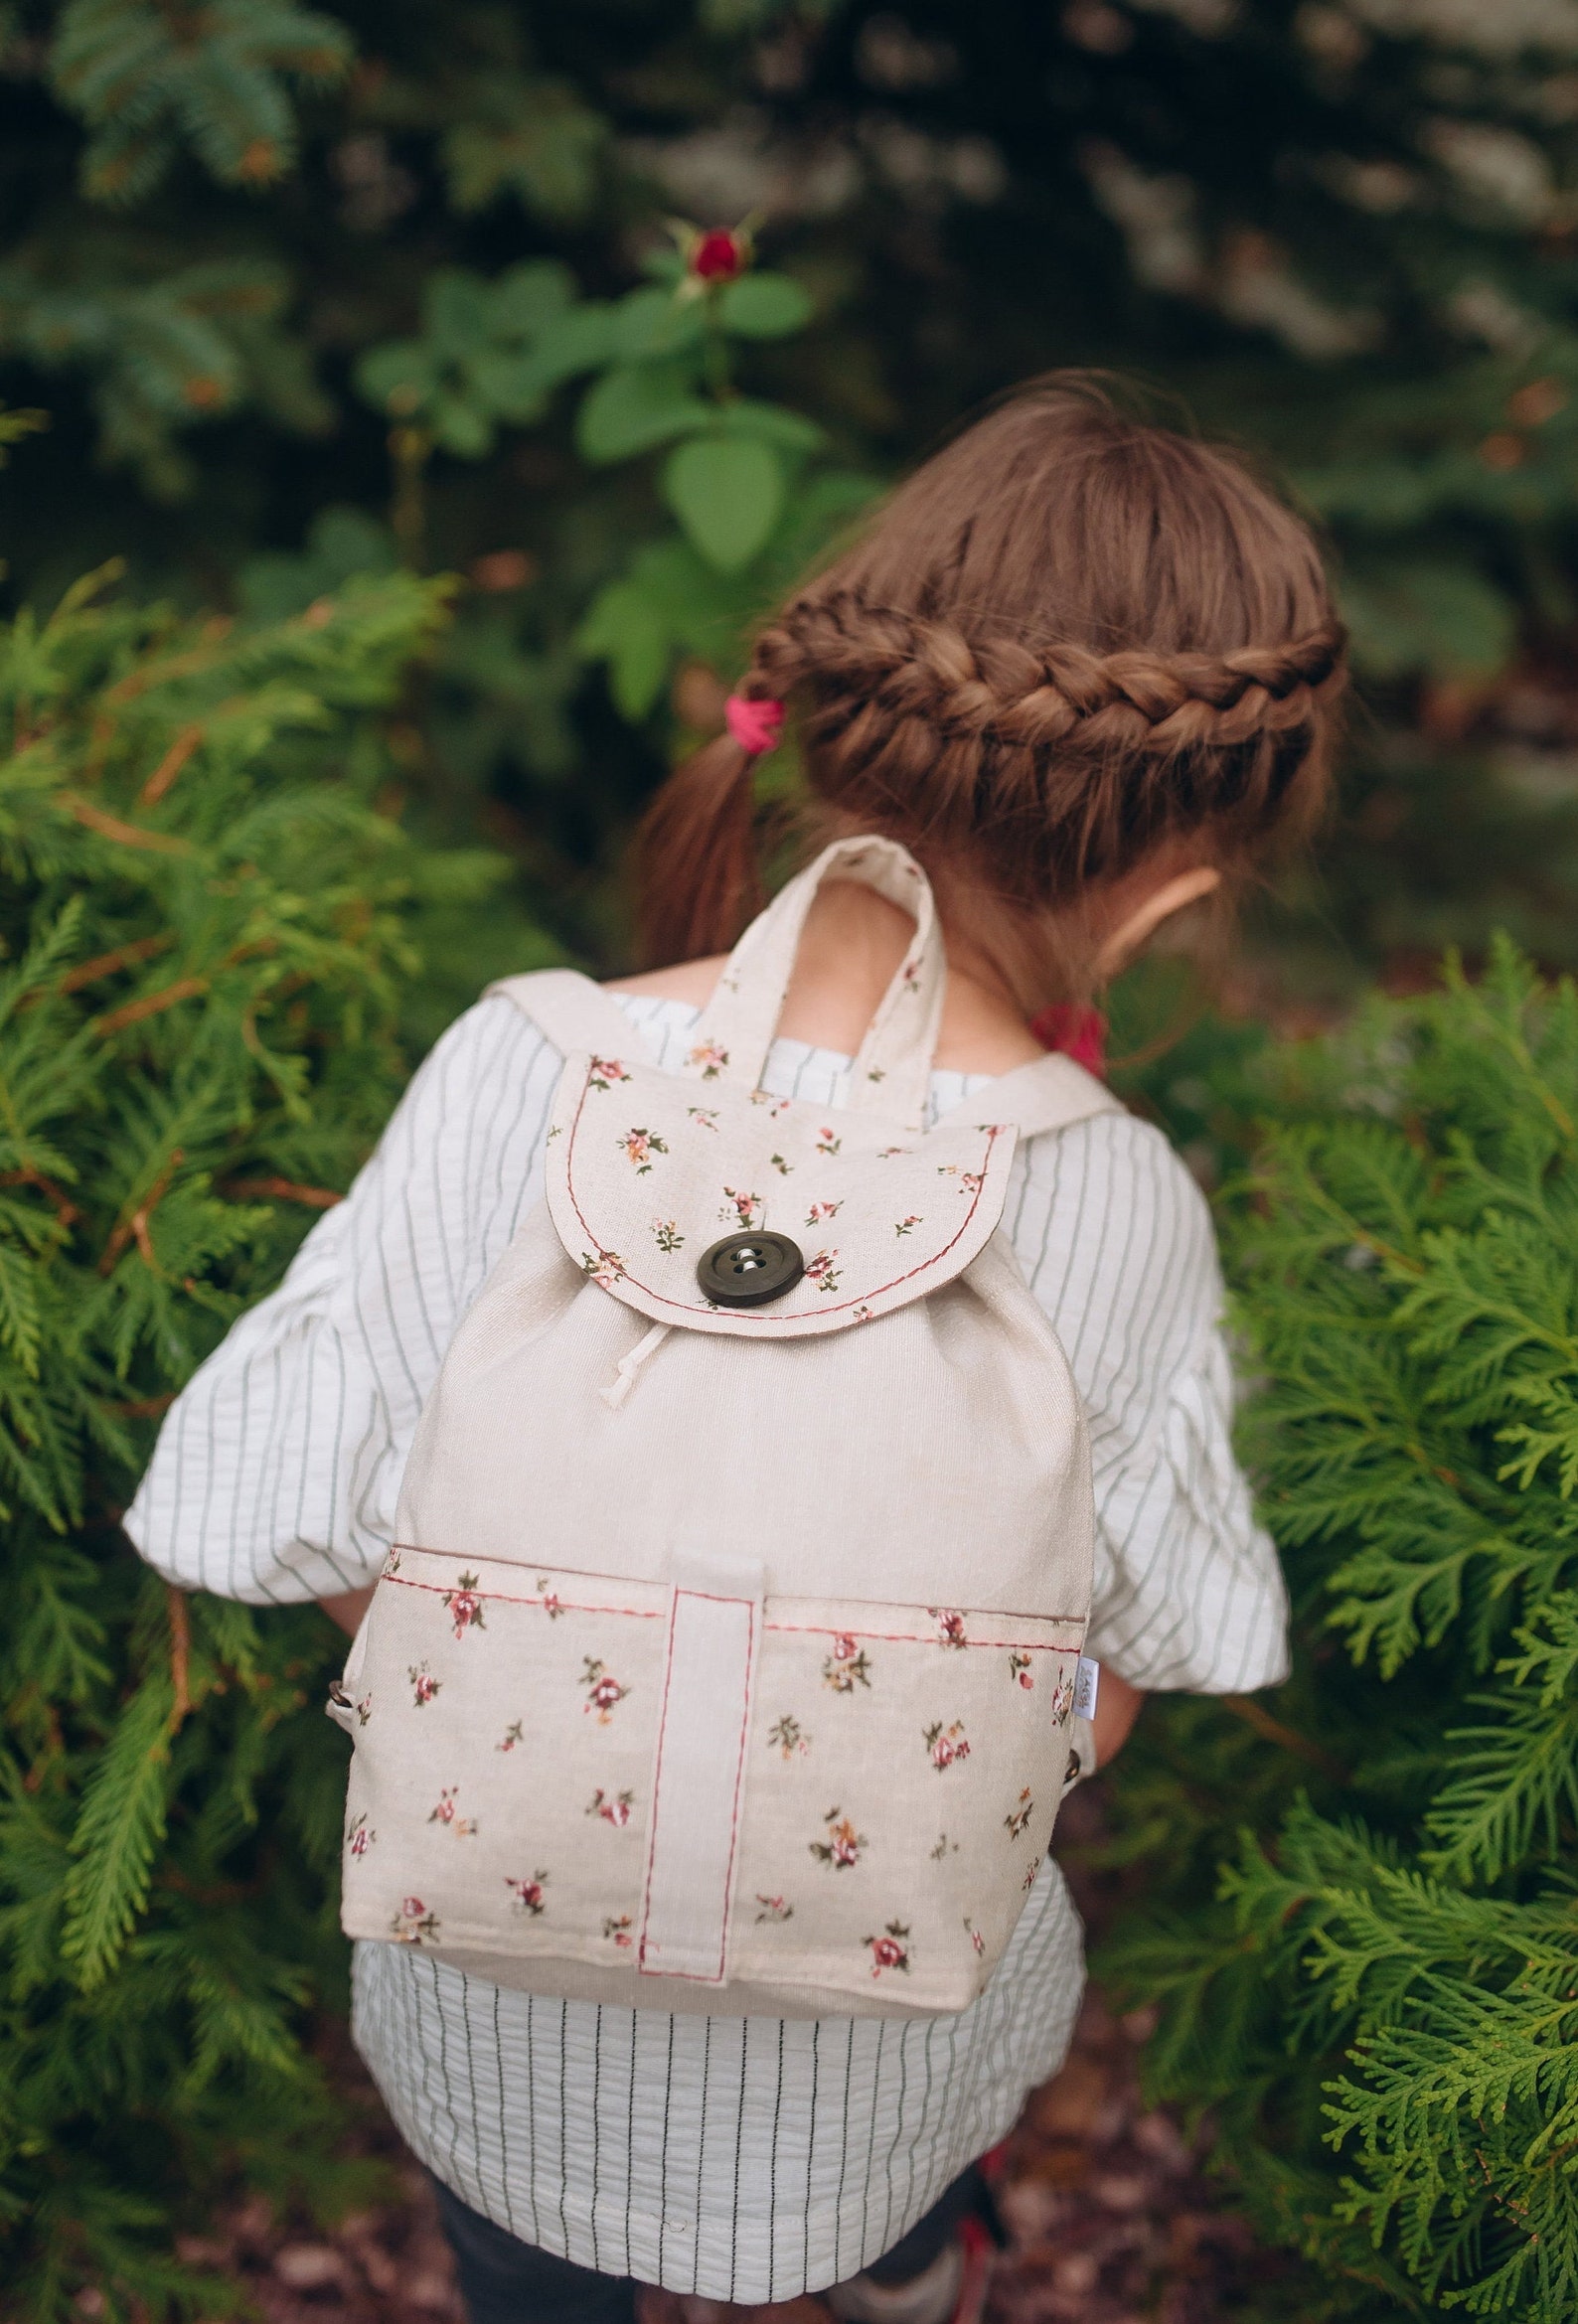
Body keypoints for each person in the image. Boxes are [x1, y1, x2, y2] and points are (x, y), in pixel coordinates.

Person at [125, 375, 1345, 2324]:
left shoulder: (523, 1059)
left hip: (499, 2009)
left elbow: (283, 1517)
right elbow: (1104, 1702)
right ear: (1180, 882)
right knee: (881, 2210)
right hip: (883, 2026)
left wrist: (571, 1680)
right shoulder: (1109, 1199)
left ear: (821, 744)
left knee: (528, 2266)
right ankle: (892, 2280)